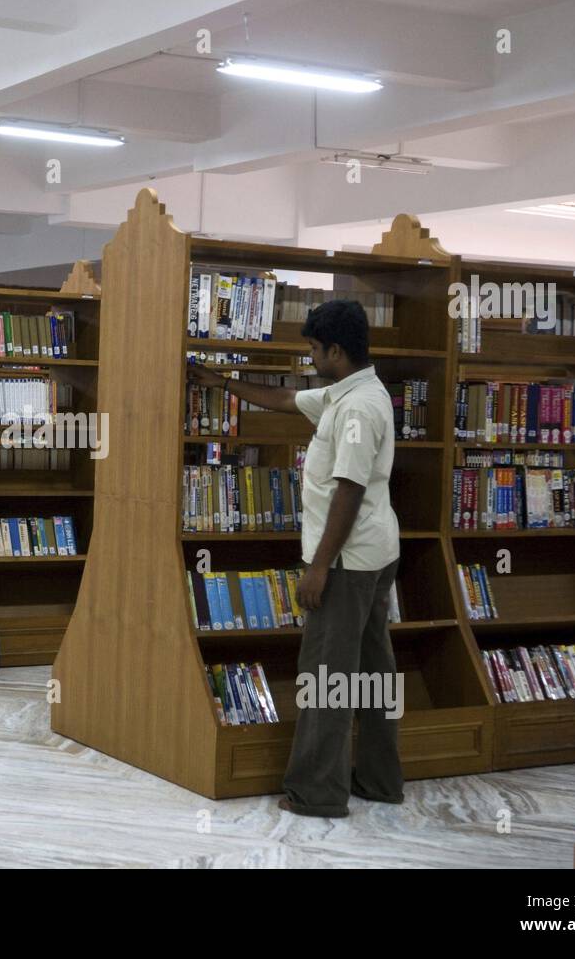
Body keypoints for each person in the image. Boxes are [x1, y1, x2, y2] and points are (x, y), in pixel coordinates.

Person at [187, 299, 402, 817]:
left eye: (313, 349)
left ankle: (318, 793)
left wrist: (319, 566)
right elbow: (286, 400)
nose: (309, 358)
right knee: (374, 672)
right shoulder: (350, 390)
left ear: (336, 350)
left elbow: (348, 489)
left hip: (348, 563)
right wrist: (221, 383)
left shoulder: (356, 408)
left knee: (327, 674)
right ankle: (379, 779)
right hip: (376, 554)